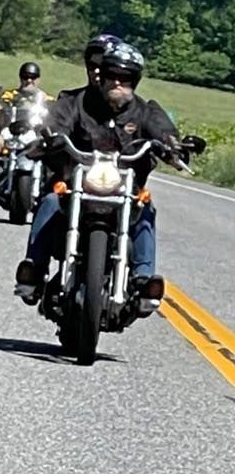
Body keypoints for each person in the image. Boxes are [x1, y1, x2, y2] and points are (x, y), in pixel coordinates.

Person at [14, 40, 179, 313]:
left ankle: (143, 280)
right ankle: (34, 270)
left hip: (124, 188)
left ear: (134, 81)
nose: (117, 83)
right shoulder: (75, 102)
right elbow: (55, 124)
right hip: (75, 184)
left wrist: (173, 147)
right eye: (112, 75)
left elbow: (163, 131)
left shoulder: (145, 110)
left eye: (125, 78)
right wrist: (49, 138)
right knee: (51, 200)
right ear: (102, 75)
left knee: (146, 207)